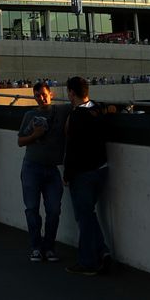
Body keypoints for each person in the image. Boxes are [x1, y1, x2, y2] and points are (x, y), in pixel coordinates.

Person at [62, 76, 111, 276]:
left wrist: (67, 174)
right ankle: (102, 251)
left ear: (72, 93)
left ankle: (88, 261)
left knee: (84, 217)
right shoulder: (97, 109)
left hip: (83, 173)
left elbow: (73, 149)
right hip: (101, 169)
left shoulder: (77, 116)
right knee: (88, 214)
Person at [17, 80, 68, 261]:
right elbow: (20, 141)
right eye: (37, 96)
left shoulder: (61, 111)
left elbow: (80, 106)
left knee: (54, 210)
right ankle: (36, 247)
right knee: (32, 208)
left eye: (44, 95)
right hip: (32, 167)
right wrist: (34, 135)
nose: (41, 98)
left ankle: (49, 246)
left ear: (51, 94)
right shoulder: (30, 115)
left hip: (51, 168)